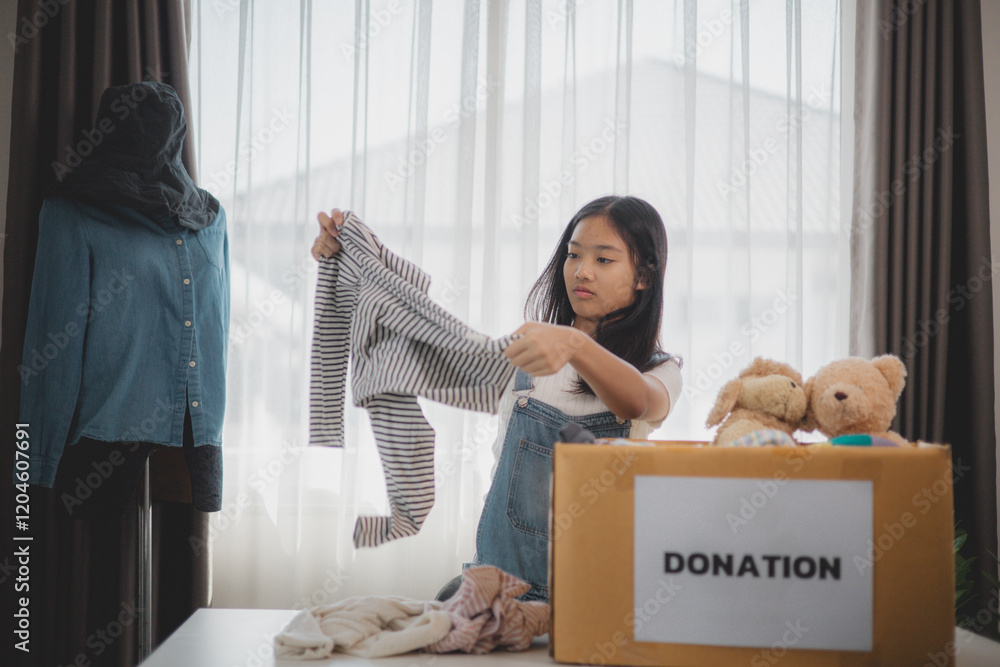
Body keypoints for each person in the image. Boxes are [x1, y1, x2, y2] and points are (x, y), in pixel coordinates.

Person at [312, 196, 682, 601]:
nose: (582, 271)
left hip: (593, 598)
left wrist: (574, 342)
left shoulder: (658, 370)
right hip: (499, 591)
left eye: (604, 260)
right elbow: (420, 347)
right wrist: (355, 262)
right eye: (573, 255)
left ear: (644, 276)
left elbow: (639, 403)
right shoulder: (527, 355)